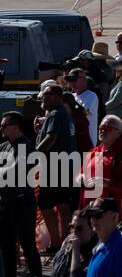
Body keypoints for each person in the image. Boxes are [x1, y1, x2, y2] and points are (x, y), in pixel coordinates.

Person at [0, 112, 41, 277]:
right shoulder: (5, 145)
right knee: (7, 245)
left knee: (27, 245)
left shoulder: (25, 146)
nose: (2, 128)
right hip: (7, 202)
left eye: (4, 125)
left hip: (22, 202)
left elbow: (15, 170)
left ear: (15, 126)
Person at [35, 82, 77, 250]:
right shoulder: (64, 115)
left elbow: (52, 138)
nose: (42, 100)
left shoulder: (54, 114)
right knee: (62, 204)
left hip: (54, 166)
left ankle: (58, 243)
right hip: (64, 165)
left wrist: (35, 153)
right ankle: (64, 242)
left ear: (54, 97)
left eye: (44, 96)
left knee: (46, 204)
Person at [78, 115, 122, 208]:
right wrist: (81, 178)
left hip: (111, 213)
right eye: (101, 127)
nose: (102, 130)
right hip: (88, 210)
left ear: (118, 133)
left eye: (107, 128)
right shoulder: (93, 152)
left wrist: (106, 182)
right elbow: (80, 175)